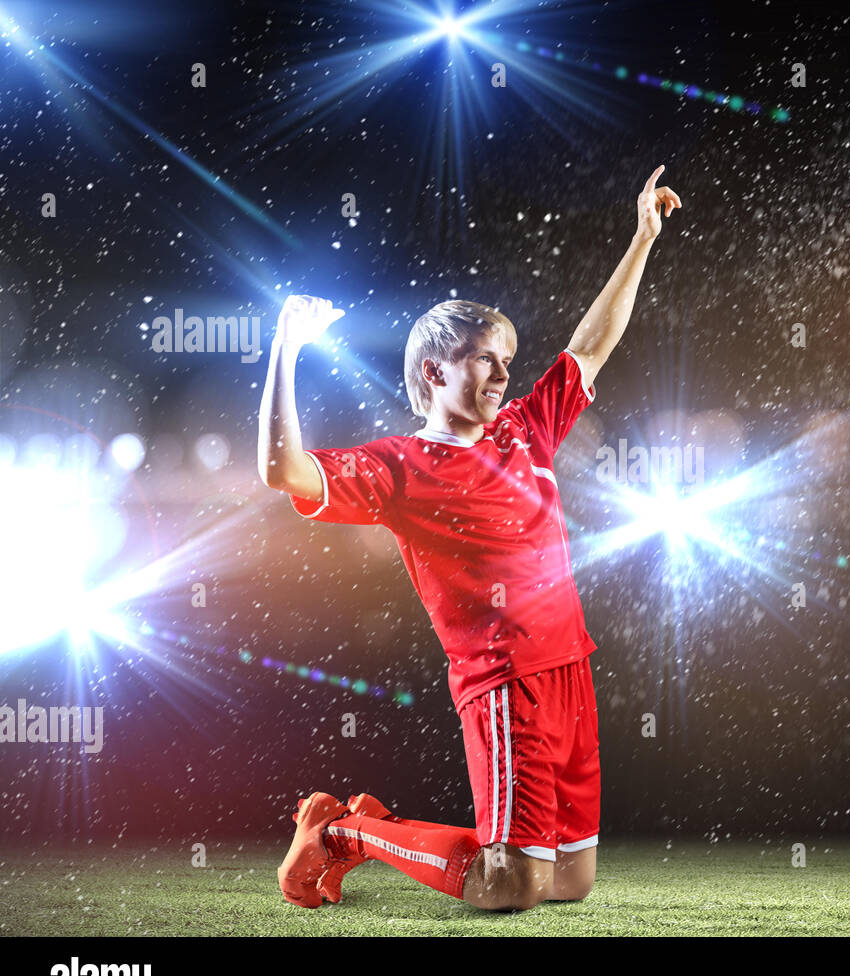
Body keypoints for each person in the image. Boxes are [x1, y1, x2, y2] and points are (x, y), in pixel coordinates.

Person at [257, 166, 682, 911]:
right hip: (503, 681)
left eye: (505, 359)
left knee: (569, 885)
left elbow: (590, 344)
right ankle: (342, 833)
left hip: (569, 668)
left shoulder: (526, 426)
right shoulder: (397, 465)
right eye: (484, 357)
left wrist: (642, 236)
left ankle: (369, 830)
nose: (501, 372)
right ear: (434, 370)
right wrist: (285, 349)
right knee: (508, 887)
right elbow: (280, 469)